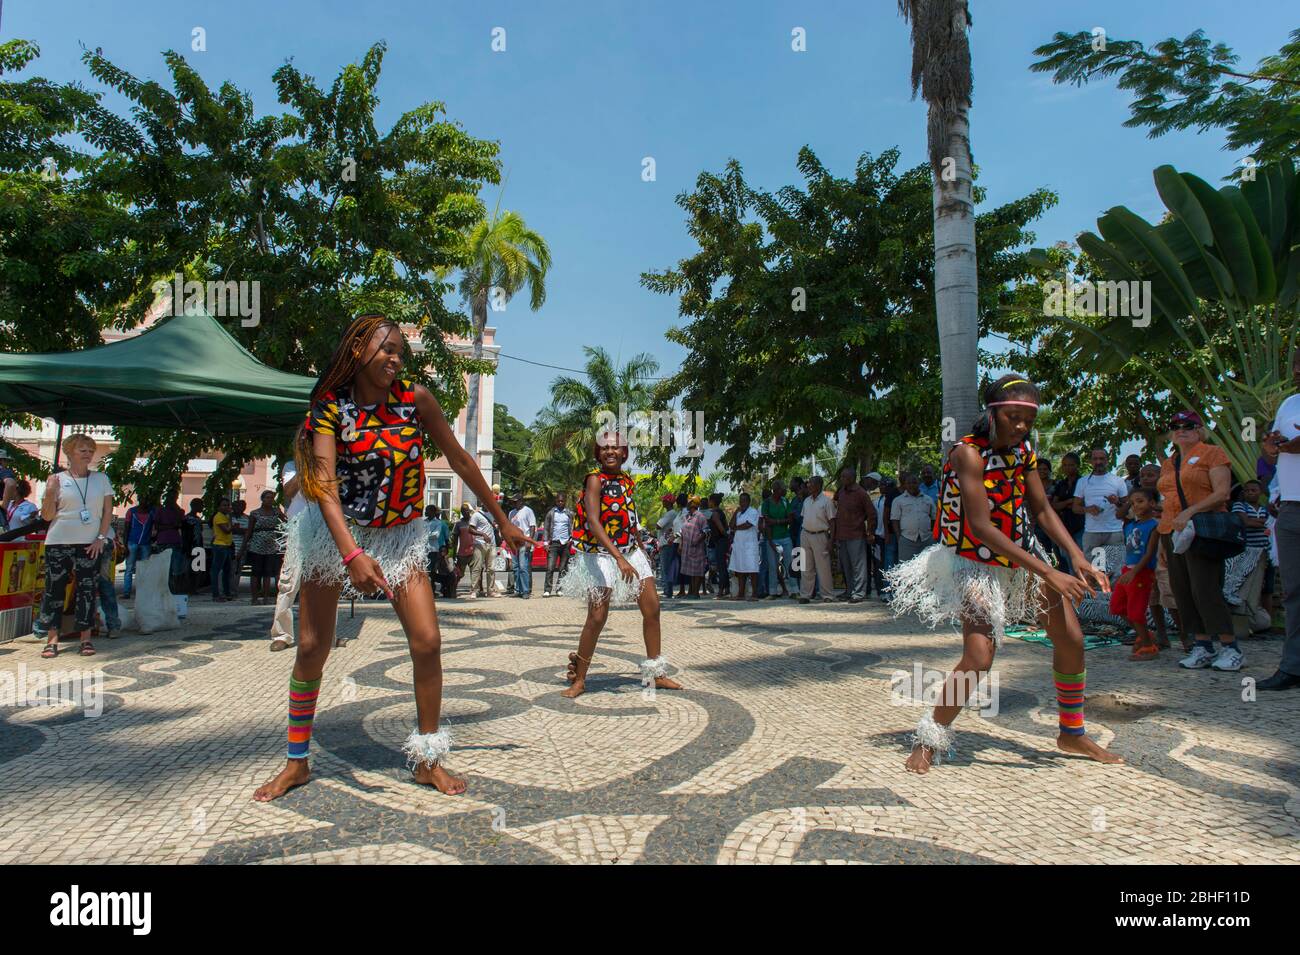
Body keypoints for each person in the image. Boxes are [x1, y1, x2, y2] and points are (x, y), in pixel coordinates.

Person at [255, 313, 532, 802]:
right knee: (313, 647)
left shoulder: (415, 400)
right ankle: (297, 762)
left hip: (402, 535)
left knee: (427, 642)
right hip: (337, 533)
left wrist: (502, 517)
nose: (395, 358)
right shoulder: (329, 407)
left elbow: (463, 461)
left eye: (400, 350)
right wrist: (352, 554)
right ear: (358, 348)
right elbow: (323, 485)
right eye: (386, 349)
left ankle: (427, 760)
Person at [884, 375, 1120, 774]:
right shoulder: (967, 455)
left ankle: (1071, 732)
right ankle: (929, 739)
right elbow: (981, 528)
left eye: (1029, 419)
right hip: (972, 562)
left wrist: (1076, 556)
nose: (1022, 426)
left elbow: (1043, 510)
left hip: (1022, 557)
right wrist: (1050, 572)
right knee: (978, 657)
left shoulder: (1023, 452)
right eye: (1014, 417)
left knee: (1072, 638)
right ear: (992, 414)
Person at [557, 431, 682, 699]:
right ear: (597, 453)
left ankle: (656, 674)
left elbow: (629, 519)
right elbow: (593, 521)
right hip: (599, 555)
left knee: (652, 609)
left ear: (625, 453)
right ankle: (579, 679)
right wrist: (618, 558)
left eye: (616, 448)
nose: (610, 452)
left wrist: (639, 549)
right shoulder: (594, 480)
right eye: (605, 448)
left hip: (629, 551)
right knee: (597, 616)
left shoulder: (626, 481)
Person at [1153, 410, 1240, 672]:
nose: (1181, 429)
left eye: (1188, 425)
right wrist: (1162, 541)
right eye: (1175, 426)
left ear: (1199, 430)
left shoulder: (1213, 453)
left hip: (1202, 529)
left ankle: (1230, 647)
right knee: (1183, 590)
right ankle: (1202, 646)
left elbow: (1222, 493)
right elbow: (1167, 502)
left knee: (1206, 589)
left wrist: (1190, 511)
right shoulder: (1170, 462)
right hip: (1172, 532)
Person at [38, 434, 114, 659]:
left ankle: (86, 638)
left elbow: (108, 511)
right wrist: (50, 492)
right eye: (83, 450)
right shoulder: (57, 479)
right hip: (58, 541)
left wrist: (101, 537)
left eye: (90, 450)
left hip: (89, 543)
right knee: (54, 590)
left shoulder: (101, 479)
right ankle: (52, 639)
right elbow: (47, 516)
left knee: (87, 590)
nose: (88, 454)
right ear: (70, 453)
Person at [1261, 354, 1300, 690]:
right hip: (1290, 508)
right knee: (1293, 592)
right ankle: (1292, 666)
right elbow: (1270, 452)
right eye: (1296, 366)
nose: (1298, 371)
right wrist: (1270, 447)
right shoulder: (1289, 403)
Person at [1111, 488, 1161, 661]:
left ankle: (1149, 647)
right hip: (1128, 570)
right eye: (1133, 503)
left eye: (1140, 501)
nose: (1136, 506)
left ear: (1152, 503)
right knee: (1117, 607)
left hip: (1141, 572)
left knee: (1136, 612)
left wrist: (1134, 572)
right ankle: (1145, 634)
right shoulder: (1130, 525)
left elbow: (1148, 554)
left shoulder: (1154, 526)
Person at [270, 463, 307, 650]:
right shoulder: (292, 466)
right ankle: (282, 634)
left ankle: (326, 635)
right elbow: (289, 491)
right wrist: (308, 465)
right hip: (299, 526)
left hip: (325, 525)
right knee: (288, 582)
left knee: (325, 582)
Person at [1072, 448, 1128, 556]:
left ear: (1107, 460)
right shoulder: (1083, 481)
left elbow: (1127, 508)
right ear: (1091, 461)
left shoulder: (1118, 481)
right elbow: (1075, 508)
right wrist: (1088, 509)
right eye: (1095, 459)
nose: (1098, 462)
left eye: (1102, 459)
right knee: (1092, 570)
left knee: (1114, 570)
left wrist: (1117, 502)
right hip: (1091, 532)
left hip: (1114, 531)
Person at [832, 467, 871, 603]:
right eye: (841, 477)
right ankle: (849, 591)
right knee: (846, 565)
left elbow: (871, 513)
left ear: (852, 478)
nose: (842, 479)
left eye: (844, 477)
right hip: (842, 535)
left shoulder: (861, 493)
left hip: (856, 534)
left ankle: (859, 593)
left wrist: (870, 531)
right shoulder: (841, 492)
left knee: (858, 566)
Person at [799, 476, 836, 604]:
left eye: (811, 483)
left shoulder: (827, 502)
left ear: (819, 485)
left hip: (820, 535)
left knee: (823, 566)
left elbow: (832, 522)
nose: (808, 485)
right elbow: (804, 517)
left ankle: (827, 595)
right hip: (805, 534)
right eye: (808, 483)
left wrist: (831, 540)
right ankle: (805, 594)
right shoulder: (806, 501)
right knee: (805, 566)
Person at [246, 490, 287, 606]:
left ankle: (265, 597)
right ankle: (254, 597)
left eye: (271, 498)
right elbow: (249, 530)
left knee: (268, 572)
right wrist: (244, 546)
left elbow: (286, 523)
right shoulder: (255, 513)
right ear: (262, 499)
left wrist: (281, 513)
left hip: (271, 544)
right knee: (256, 572)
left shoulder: (275, 512)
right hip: (257, 544)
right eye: (267, 497)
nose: (269, 500)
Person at [152, 491, 188, 618]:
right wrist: (171, 526)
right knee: (169, 572)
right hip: (167, 541)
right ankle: (167, 598)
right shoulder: (161, 511)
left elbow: (181, 523)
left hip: (171, 541)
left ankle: (175, 599)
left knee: (175, 572)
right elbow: (158, 526)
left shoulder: (177, 511)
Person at [891, 472, 936, 563]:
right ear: (905, 485)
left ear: (919, 484)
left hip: (926, 539)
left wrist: (931, 533)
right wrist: (899, 537)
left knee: (927, 568)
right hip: (907, 540)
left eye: (914, 482)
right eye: (909, 483)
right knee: (906, 570)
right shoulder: (898, 500)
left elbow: (933, 518)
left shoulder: (928, 499)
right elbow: (895, 520)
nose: (912, 485)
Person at [761, 480, 794, 599]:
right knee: (772, 566)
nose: (785, 490)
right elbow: (767, 523)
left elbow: (791, 519)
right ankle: (773, 592)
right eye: (783, 488)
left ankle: (794, 591)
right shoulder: (767, 503)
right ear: (776, 490)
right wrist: (770, 542)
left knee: (790, 564)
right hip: (772, 538)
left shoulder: (785, 502)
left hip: (785, 537)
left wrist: (776, 521)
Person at [120, 495, 154, 600]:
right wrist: (125, 545)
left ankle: (142, 592)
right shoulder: (132, 512)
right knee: (129, 568)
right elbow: (126, 529)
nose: (145, 501)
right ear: (139, 500)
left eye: (146, 499)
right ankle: (127, 592)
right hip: (132, 542)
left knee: (144, 569)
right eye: (143, 499)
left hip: (145, 543)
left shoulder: (152, 512)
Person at [728, 492, 761, 600]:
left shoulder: (753, 511)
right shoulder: (738, 513)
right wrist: (736, 512)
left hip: (749, 545)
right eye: (740, 500)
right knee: (740, 569)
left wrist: (736, 528)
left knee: (752, 569)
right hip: (739, 544)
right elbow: (731, 525)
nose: (741, 503)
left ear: (748, 501)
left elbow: (748, 525)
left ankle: (755, 594)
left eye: (744, 500)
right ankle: (741, 593)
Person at [541, 492, 573, 596]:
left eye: (562, 501)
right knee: (550, 567)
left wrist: (571, 539)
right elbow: (546, 528)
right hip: (553, 543)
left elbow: (573, 527)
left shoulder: (569, 514)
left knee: (563, 568)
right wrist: (545, 543)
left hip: (565, 544)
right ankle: (547, 590)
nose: (560, 502)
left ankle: (560, 589)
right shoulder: (551, 513)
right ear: (556, 501)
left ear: (565, 501)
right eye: (558, 501)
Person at [678, 495, 709, 597]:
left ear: (693, 504)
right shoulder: (687, 517)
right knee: (690, 571)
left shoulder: (700, 517)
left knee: (697, 571)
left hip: (697, 548)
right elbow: (682, 531)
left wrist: (697, 540)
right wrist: (681, 545)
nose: (687, 504)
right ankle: (691, 591)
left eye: (689, 502)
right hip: (687, 548)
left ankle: (696, 592)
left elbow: (706, 531)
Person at [509, 494, 537, 598]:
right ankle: (518, 590)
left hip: (524, 543)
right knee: (515, 568)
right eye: (513, 502)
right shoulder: (511, 513)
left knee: (523, 567)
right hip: (514, 543)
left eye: (516, 501)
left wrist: (530, 541)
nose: (514, 503)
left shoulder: (528, 511)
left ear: (521, 501)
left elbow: (532, 526)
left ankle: (525, 591)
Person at [210, 500, 235, 602]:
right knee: (216, 571)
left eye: (228, 505)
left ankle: (227, 593)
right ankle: (216, 595)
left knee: (227, 571)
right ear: (219, 507)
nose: (227, 507)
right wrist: (233, 525)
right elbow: (226, 530)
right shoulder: (219, 516)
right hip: (220, 545)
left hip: (226, 545)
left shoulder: (225, 517)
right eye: (224, 505)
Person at [656, 493, 680, 598]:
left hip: (666, 544)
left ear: (668, 502)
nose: (663, 502)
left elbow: (658, 525)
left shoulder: (670, 514)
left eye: (664, 500)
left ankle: (667, 591)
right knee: (668, 567)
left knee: (666, 568)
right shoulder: (673, 513)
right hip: (667, 543)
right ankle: (668, 590)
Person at [707, 493, 730, 597]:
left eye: (709, 500)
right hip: (721, 541)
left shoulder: (715, 514)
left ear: (712, 502)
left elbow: (721, 528)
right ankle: (727, 589)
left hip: (721, 541)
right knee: (722, 566)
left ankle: (721, 590)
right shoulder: (719, 512)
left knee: (721, 566)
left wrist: (726, 536)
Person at [452, 507, 478, 599]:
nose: (465, 513)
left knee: (476, 572)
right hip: (462, 552)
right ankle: (453, 590)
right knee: (459, 573)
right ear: (462, 512)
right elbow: (454, 539)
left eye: (467, 511)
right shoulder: (458, 524)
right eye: (464, 511)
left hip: (474, 550)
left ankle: (477, 590)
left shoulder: (474, 521)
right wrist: (454, 553)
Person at [229, 499, 251, 599]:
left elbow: (248, 532)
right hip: (229, 545)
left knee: (237, 570)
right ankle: (227, 590)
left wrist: (236, 529)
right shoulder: (228, 517)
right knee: (228, 570)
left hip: (241, 546)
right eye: (237, 506)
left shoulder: (247, 518)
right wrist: (239, 530)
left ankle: (234, 591)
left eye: (242, 506)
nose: (239, 508)